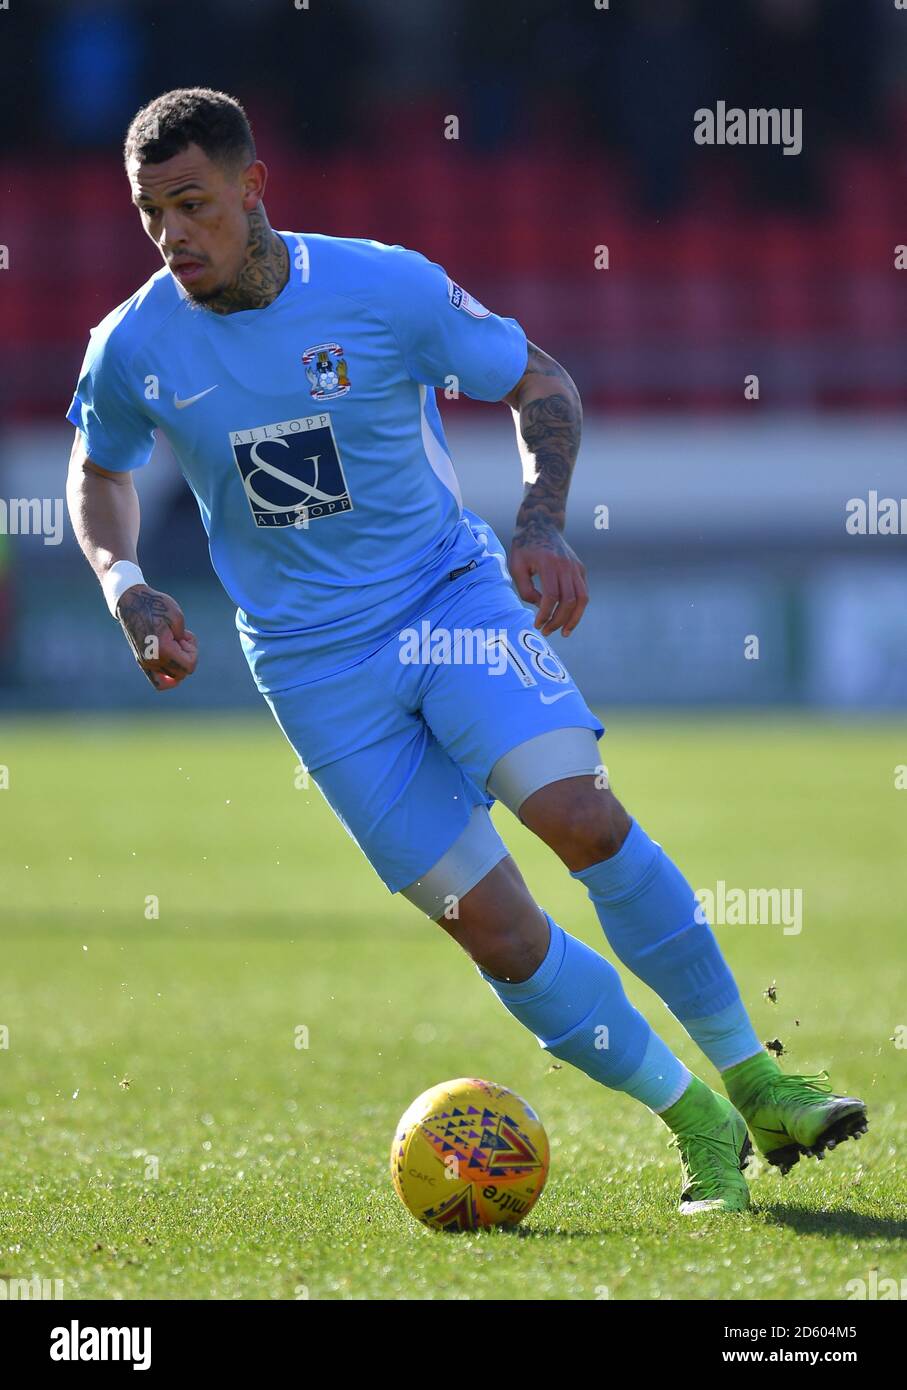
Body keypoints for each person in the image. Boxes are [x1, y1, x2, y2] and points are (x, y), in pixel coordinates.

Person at [66, 88, 866, 1216]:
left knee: (579, 817)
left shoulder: (384, 287)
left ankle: (758, 1075)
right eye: (151, 214)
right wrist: (124, 579)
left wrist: (539, 520)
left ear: (253, 188)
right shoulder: (135, 343)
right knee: (495, 929)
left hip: (448, 604)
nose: (171, 236)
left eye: (191, 204)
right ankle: (697, 1126)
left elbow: (540, 380)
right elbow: (98, 470)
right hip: (313, 670)